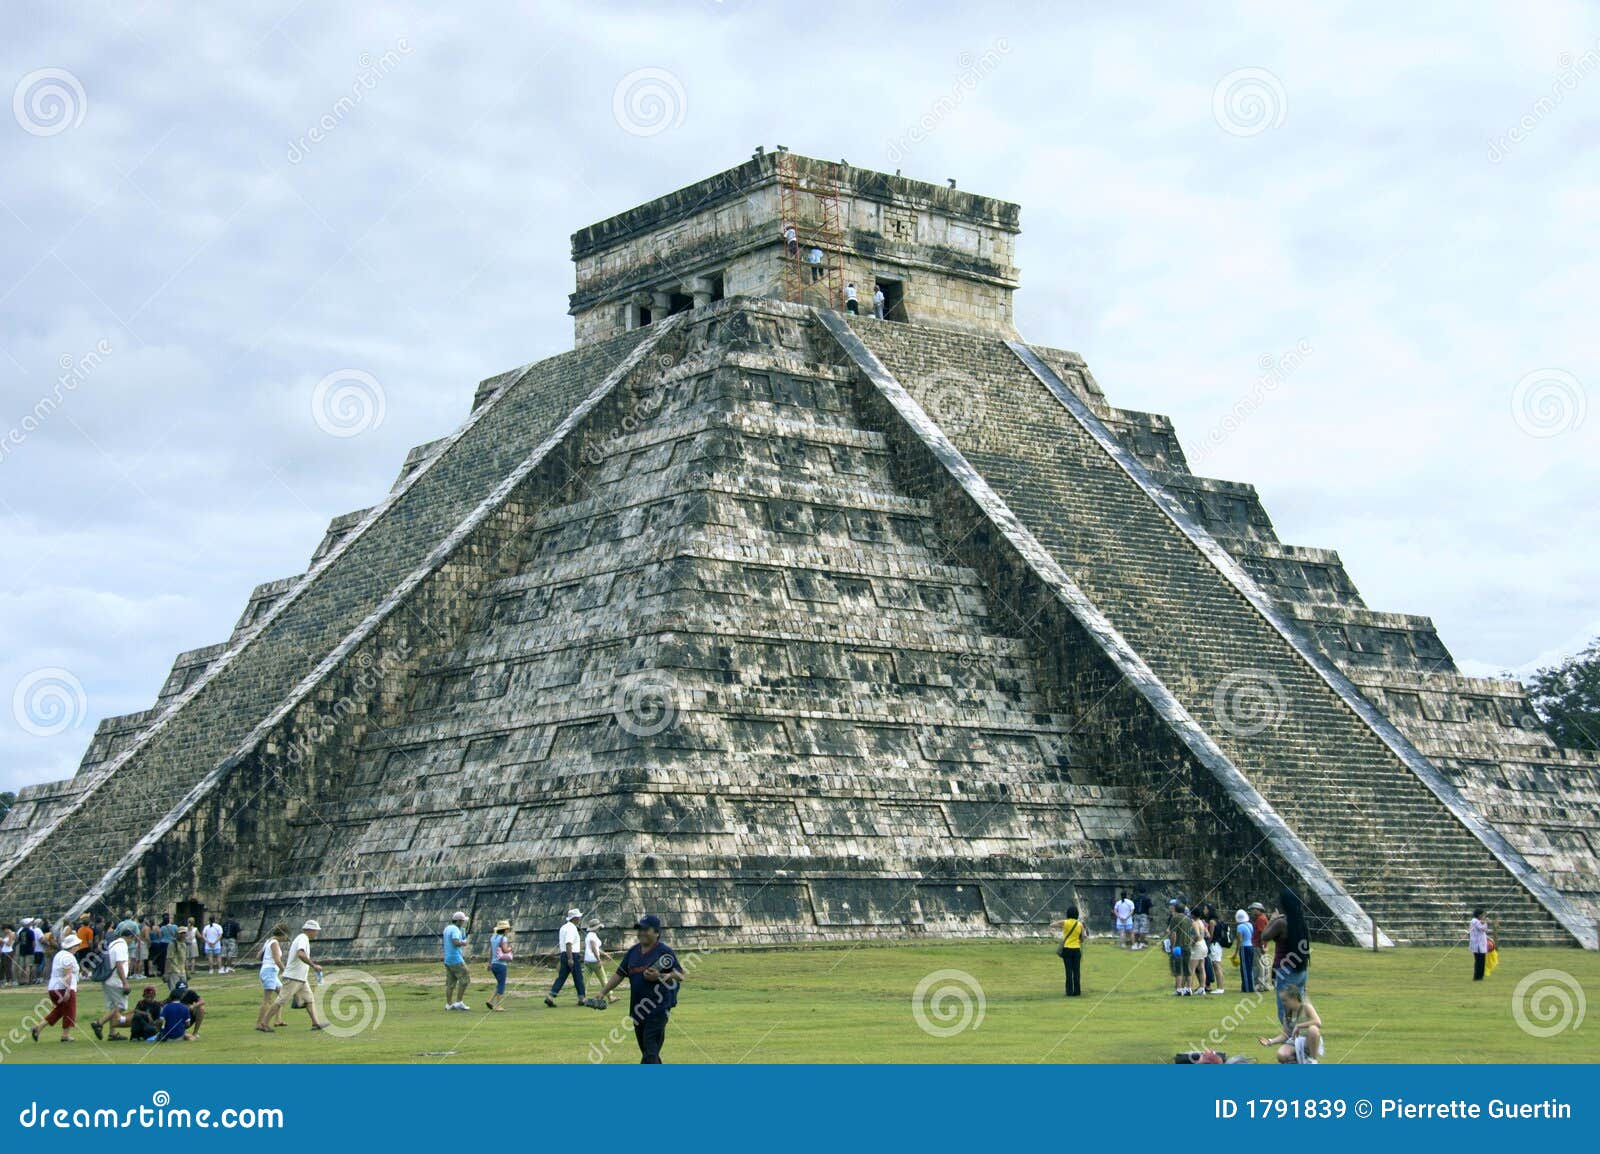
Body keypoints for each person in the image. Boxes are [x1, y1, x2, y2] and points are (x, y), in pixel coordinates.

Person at [596, 914, 687, 1063]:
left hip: (658, 1009)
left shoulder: (664, 951)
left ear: (656, 932)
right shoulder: (632, 952)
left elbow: (680, 975)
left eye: (646, 929)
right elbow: (619, 974)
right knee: (648, 1052)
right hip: (638, 1010)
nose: (641, 933)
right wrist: (602, 992)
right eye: (639, 929)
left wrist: (660, 976)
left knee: (650, 1051)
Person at [1261, 887, 1311, 1028]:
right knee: (1298, 1009)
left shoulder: (1281, 922)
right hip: (1300, 970)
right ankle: (1299, 1039)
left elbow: (1264, 937)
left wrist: (1272, 920)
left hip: (1286, 970)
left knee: (1285, 1011)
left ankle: (1291, 1041)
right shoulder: (1300, 922)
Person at [264, 919, 326, 1030]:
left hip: (301, 977)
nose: (317, 933)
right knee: (281, 1000)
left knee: (309, 999)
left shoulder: (304, 939)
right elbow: (300, 954)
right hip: (293, 977)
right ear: (310, 930)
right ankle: (264, 1023)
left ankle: (315, 1023)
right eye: (316, 931)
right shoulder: (302, 938)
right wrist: (313, 965)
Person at [34, 931, 81, 1042]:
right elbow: (68, 974)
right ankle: (65, 1035)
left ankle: (39, 1027)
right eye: (77, 945)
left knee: (59, 1010)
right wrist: (68, 991)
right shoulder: (68, 957)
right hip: (62, 987)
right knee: (70, 1010)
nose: (78, 947)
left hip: (53, 987)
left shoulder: (59, 954)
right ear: (73, 946)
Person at [1258, 984, 1323, 1064]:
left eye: (1285, 1000)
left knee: (1313, 1030)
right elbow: (1285, 1035)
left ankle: (1312, 1060)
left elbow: (1318, 1022)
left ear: (1294, 998)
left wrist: (1299, 1026)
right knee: (1281, 1055)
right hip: (1295, 1041)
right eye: (1282, 1000)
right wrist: (1270, 1041)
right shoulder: (1287, 1013)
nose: (1283, 1003)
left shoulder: (1306, 1006)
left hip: (1309, 1040)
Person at [91, 924, 135, 1040]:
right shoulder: (122, 946)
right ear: (129, 937)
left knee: (113, 1007)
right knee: (121, 1006)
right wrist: (125, 982)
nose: (132, 942)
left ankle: (112, 1033)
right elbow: (119, 965)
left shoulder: (113, 944)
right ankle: (99, 1023)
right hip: (115, 980)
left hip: (108, 979)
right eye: (132, 939)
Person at [544, 908, 586, 1007]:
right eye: (578, 917)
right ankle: (582, 998)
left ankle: (551, 996)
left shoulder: (563, 927)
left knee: (561, 977)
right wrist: (570, 958)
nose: (580, 919)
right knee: (578, 977)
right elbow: (568, 943)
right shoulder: (571, 928)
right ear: (575, 918)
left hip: (564, 954)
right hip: (572, 954)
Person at [255, 922, 289, 1032]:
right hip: (269, 971)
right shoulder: (274, 943)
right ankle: (260, 1023)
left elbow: (258, 956)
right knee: (267, 999)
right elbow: (277, 960)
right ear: (282, 934)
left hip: (269, 972)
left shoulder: (268, 941)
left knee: (282, 995)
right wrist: (286, 971)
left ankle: (278, 1020)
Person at [1049, 906, 1086, 996]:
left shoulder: (1065, 922)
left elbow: (1052, 924)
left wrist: (1056, 928)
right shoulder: (1080, 924)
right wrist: (1079, 940)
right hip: (1076, 949)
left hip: (1067, 949)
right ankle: (1077, 991)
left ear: (1068, 913)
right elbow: (1083, 937)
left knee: (1068, 971)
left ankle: (1069, 991)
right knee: (1076, 971)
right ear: (1077, 914)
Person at [442, 910, 472, 1011]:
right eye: (463, 921)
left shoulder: (448, 928)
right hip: (456, 959)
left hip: (448, 959)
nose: (464, 923)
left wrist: (462, 933)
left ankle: (449, 1004)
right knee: (465, 978)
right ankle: (459, 1002)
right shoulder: (455, 930)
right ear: (459, 921)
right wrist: (464, 943)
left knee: (450, 983)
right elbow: (455, 942)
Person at [1165, 899, 1195, 995]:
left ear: (1175, 909)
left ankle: (1179, 989)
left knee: (1178, 969)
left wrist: (1173, 946)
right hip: (1187, 946)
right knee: (1187, 968)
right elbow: (1191, 933)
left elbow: (1173, 934)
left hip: (1178, 946)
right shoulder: (1188, 919)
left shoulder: (1175, 918)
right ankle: (1188, 988)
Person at [487, 919, 512, 1012]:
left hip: (493, 964)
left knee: (499, 983)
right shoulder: (503, 938)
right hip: (501, 964)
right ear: (505, 930)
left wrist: (489, 963)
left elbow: (491, 952)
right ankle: (498, 1005)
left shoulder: (493, 938)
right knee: (501, 984)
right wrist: (510, 949)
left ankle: (490, 1000)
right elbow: (505, 950)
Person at [584, 922, 611, 999]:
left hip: (587, 960)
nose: (599, 929)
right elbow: (594, 949)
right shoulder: (592, 936)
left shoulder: (589, 935)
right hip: (594, 961)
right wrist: (599, 960)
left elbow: (596, 949)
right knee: (603, 978)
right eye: (599, 928)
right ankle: (610, 996)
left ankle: (582, 996)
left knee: (585, 980)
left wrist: (605, 955)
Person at [1234, 909, 1256, 994]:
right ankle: (1250, 986)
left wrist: (1236, 952)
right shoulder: (1250, 924)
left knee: (1244, 969)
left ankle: (1246, 988)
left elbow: (1240, 940)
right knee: (1249, 968)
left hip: (1244, 947)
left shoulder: (1240, 927)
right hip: (1251, 946)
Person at [1469, 908, 1491, 980]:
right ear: (1479, 915)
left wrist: (1483, 921)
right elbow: (1483, 929)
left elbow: (1483, 931)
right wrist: (1485, 922)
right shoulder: (1474, 921)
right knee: (1479, 961)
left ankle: (1480, 976)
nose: (1484, 916)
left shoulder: (1477, 921)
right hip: (1477, 944)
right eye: (1482, 915)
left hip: (1480, 944)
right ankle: (1477, 977)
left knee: (1482, 961)